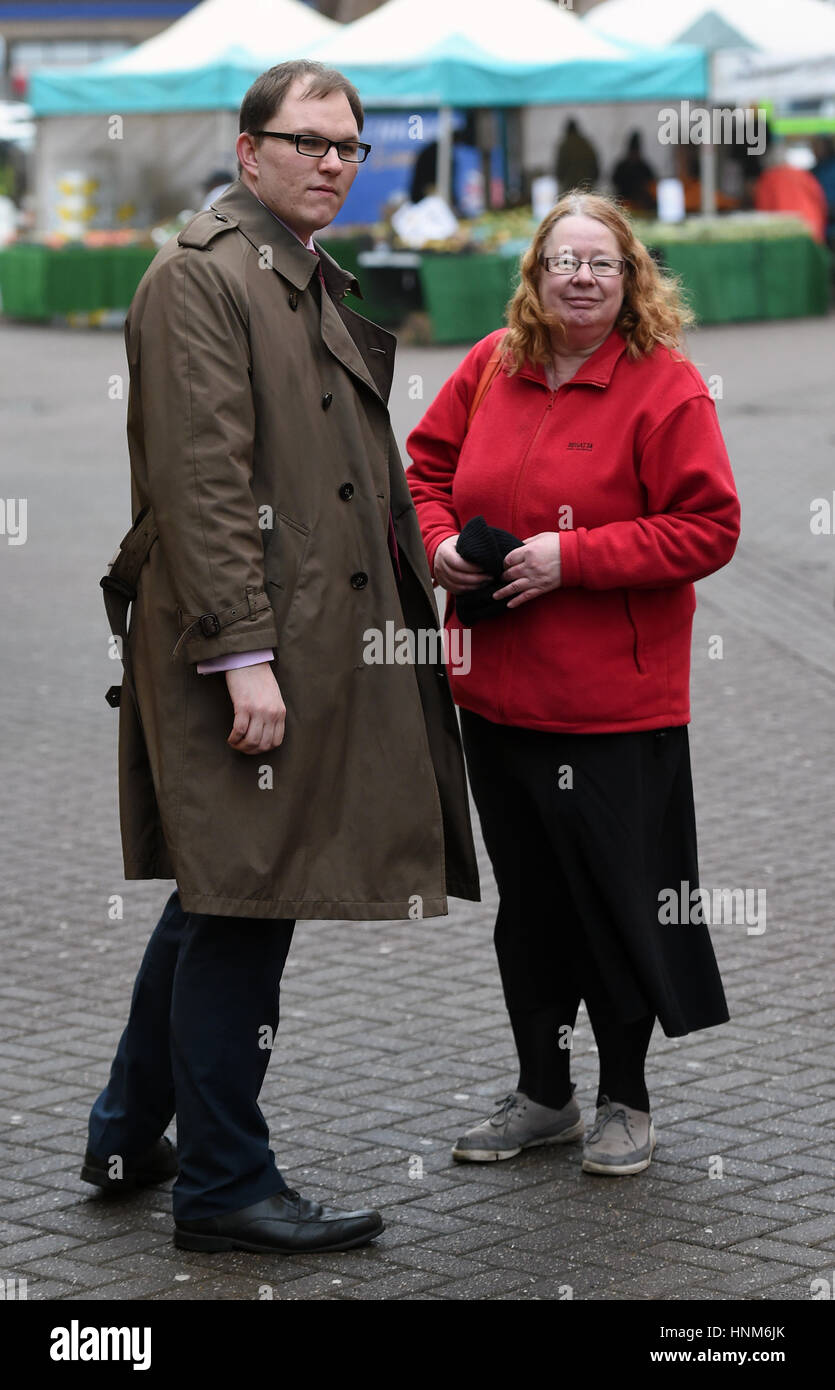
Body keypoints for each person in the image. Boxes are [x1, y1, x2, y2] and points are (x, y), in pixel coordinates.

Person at [82, 59, 479, 1254]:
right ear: (248, 147)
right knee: (245, 909)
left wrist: (430, 567)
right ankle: (223, 1186)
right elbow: (203, 485)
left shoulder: (291, 266)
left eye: (348, 146)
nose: (331, 163)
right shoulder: (201, 277)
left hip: (305, 639)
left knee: (222, 893)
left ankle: (123, 1127)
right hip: (251, 648)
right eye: (306, 141)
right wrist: (242, 656)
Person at [406, 191, 740, 1176]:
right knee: (532, 908)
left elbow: (708, 527)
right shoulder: (490, 365)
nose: (581, 277)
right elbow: (422, 470)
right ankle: (544, 1093)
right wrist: (436, 547)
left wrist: (573, 557)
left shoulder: (665, 386)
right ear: (536, 274)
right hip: (497, 694)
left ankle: (625, 1101)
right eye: (563, 261)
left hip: (612, 709)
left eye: (600, 261)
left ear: (630, 275)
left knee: (616, 904)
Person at [611, 130, 657, 213]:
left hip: (641, 206)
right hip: (624, 204)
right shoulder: (622, 167)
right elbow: (614, 182)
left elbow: (651, 186)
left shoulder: (644, 168)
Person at [555, 118, 599, 193]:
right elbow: (595, 168)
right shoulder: (586, 144)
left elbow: (559, 170)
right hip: (587, 185)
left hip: (570, 187)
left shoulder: (565, 145)